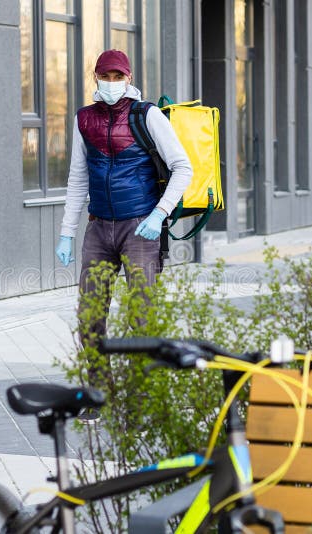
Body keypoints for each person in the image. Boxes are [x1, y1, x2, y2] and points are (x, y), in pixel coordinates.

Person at [54, 49, 193, 400]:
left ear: (129, 78)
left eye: (118, 77)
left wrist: (158, 215)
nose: (112, 83)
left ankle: (141, 397)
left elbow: (183, 168)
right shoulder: (83, 118)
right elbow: (77, 179)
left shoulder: (148, 115)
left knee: (142, 316)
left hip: (139, 228)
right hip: (99, 228)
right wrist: (66, 234)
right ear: (96, 78)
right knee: (90, 316)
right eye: (106, 77)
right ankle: (100, 392)